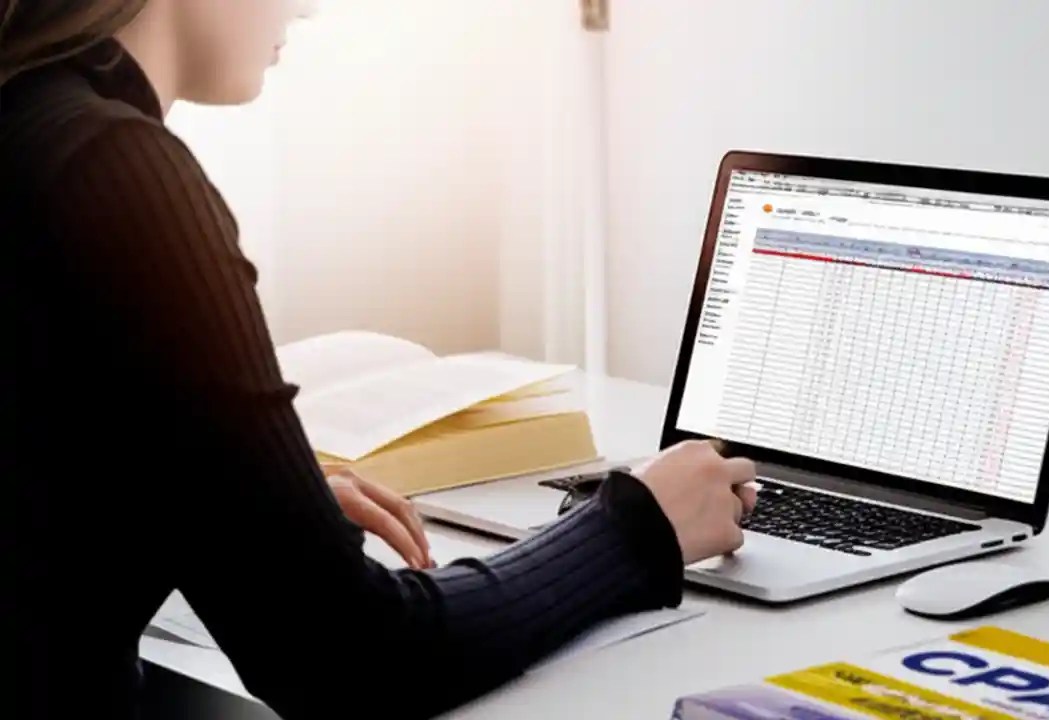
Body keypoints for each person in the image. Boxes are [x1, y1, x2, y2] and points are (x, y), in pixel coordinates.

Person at [0, 1, 758, 717]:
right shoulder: (115, 171)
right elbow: (351, 659)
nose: (304, 6)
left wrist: (249, 503)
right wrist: (633, 528)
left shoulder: (29, 120)